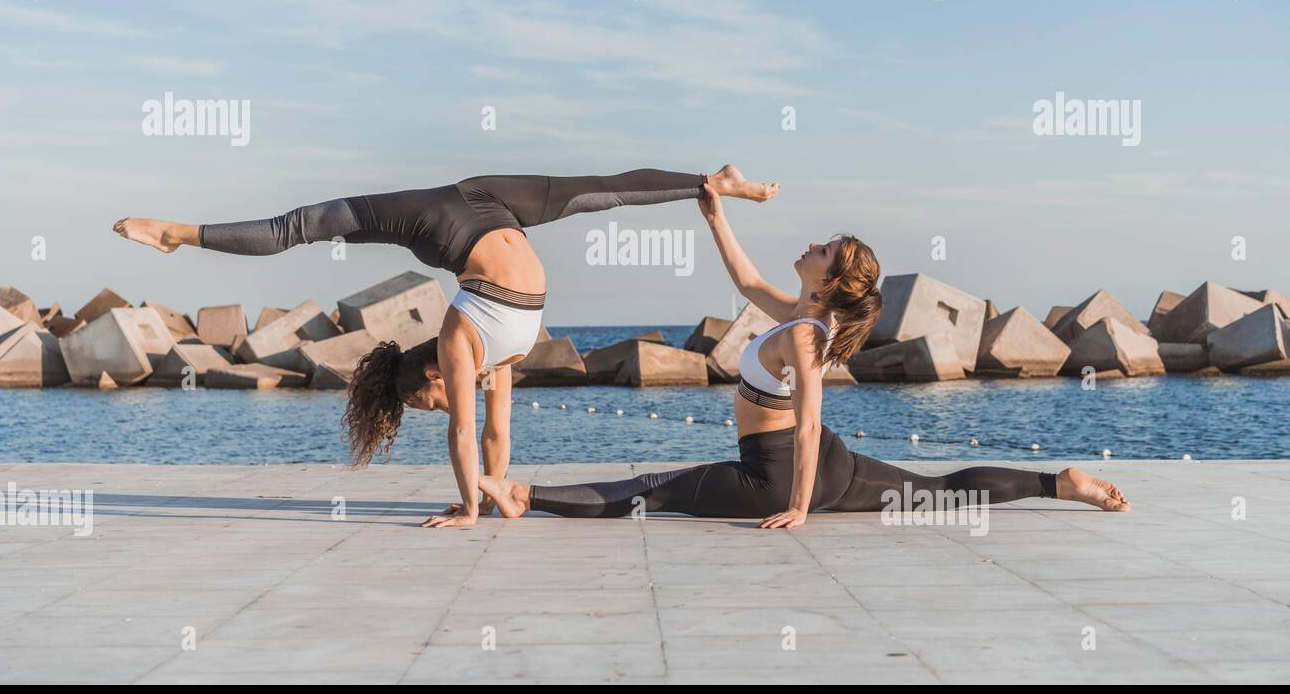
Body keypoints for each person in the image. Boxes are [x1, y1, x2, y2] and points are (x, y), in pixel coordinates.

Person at [113, 165, 779, 527]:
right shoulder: (496, 355)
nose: (441, 406)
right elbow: (493, 435)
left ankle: (179, 232)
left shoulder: (462, 335)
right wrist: (496, 489)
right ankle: (707, 184)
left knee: (305, 224)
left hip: (439, 220)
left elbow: (462, 431)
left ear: (428, 374)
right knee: (590, 195)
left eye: (426, 403)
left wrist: (466, 505)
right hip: (490, 208)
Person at [479, 182, 1132, 527]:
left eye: (822, 249)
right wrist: (714, 217)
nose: (811, 244)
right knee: (938, 492)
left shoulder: (800, 336)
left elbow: (811, 420)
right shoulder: (797, 317)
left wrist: (794, 506)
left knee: (656, 489)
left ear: (827, 280)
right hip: (831, 471)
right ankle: (1058, 483)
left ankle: (523, 496)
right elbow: (744, 281)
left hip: (780, 474)